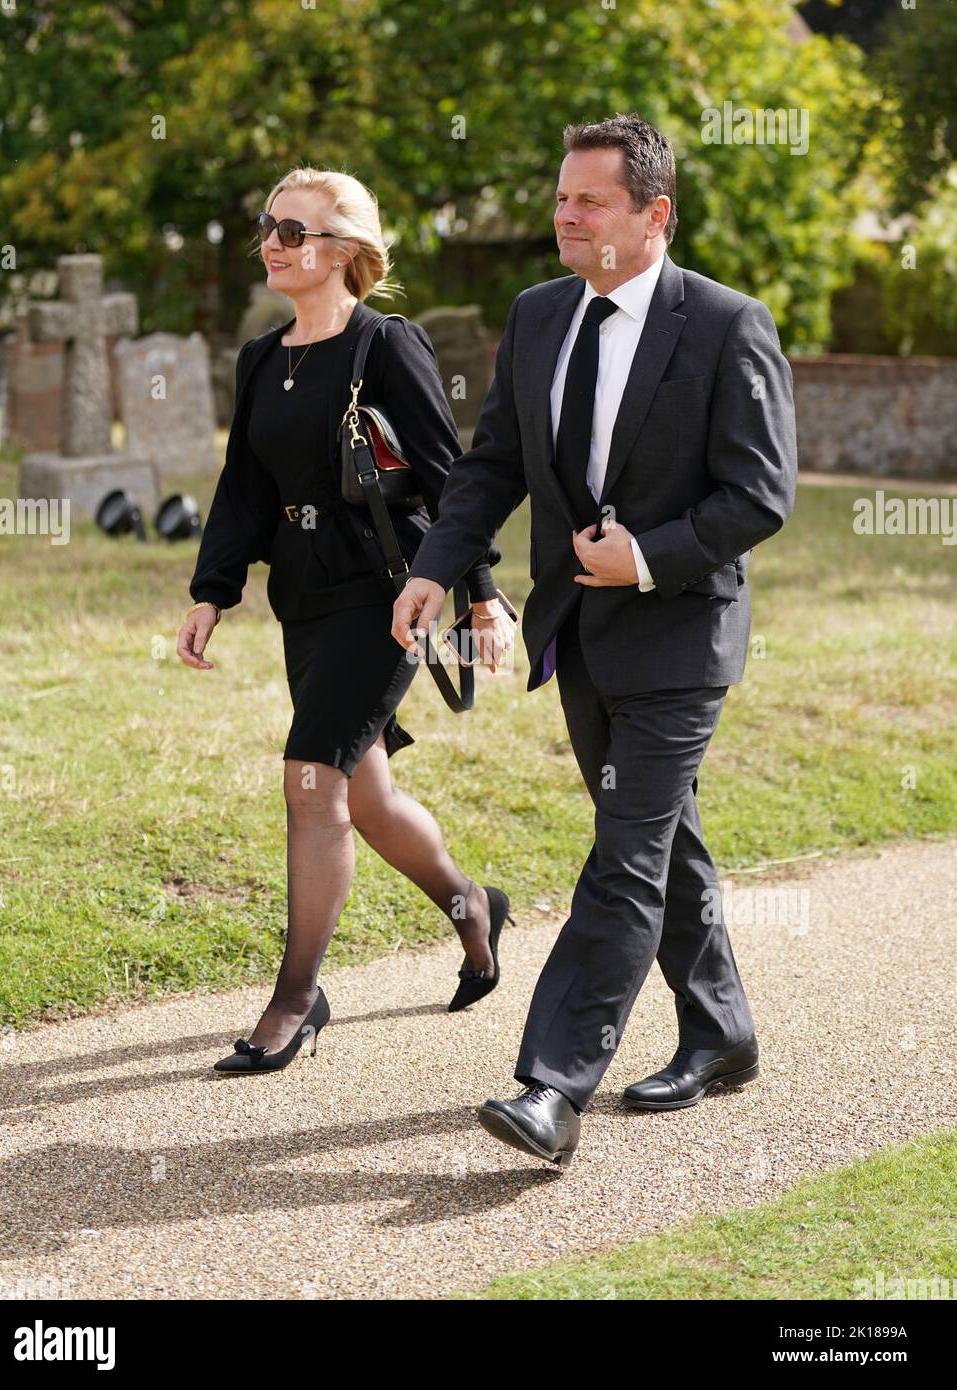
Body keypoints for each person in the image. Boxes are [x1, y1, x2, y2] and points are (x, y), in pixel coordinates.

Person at [392, 114, 797, 1168]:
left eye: (589, 201)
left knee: (624, 857)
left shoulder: (726, 323)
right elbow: (491, 466)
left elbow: (760, 494)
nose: (563, 215)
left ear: (653, 215)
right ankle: (722, 1030)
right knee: (667, 844)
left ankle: (552, 1086)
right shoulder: (536, 318)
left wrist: (649, 555)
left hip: (683, 635)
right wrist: (435, 567)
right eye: (562, 197)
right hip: (580, 632)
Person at [177, 167, 517, 1073]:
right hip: (303, 597)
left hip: (383, 595)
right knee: (364, 795)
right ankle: (470, 905)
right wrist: (213, 590)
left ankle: (297, 997)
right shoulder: (261, 357)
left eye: (296, 230)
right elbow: (241, 488)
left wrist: (481, 591)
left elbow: (452, 479)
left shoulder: (385, 346)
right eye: (269, 226)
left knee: (310, 784)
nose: (275, 243)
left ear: (347, 252)